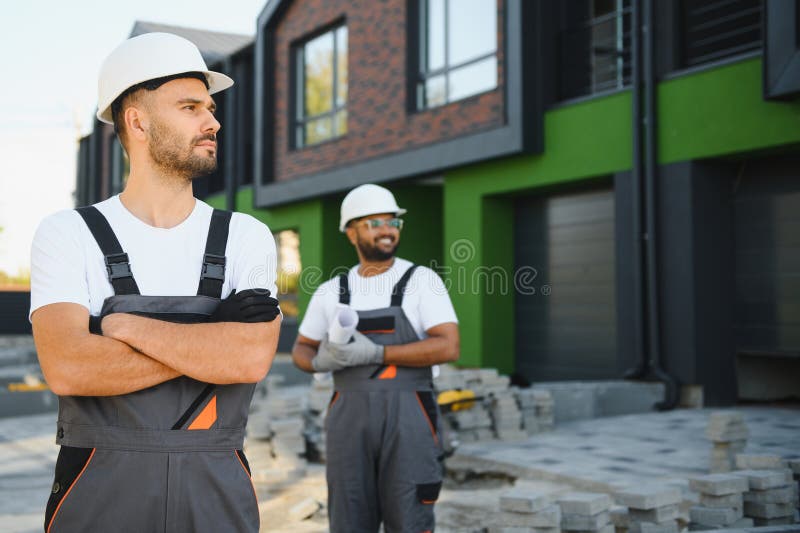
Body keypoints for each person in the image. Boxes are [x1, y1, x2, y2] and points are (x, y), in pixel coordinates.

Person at [29, 32, 281, 533]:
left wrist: (125, 326)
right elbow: (68, 368)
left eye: (208, 107)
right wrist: (211, 338)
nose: (213, 122)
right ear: (137, 120)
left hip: (216, 483)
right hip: (97, 489)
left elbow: (249, 358)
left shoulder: (245, 236)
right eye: (190, 107)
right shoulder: (67, 233)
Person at [292, 184, 460, 532]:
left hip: (409, 413)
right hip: (348, 415)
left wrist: (377, 352)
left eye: (393, 223)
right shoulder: (331, 292)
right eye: (375, 223)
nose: (387, 230)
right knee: (349, 514)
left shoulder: (421, 281)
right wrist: (320, 362)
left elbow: (447, 346)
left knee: (409, 513)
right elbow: (302, 349)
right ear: (351, 232)